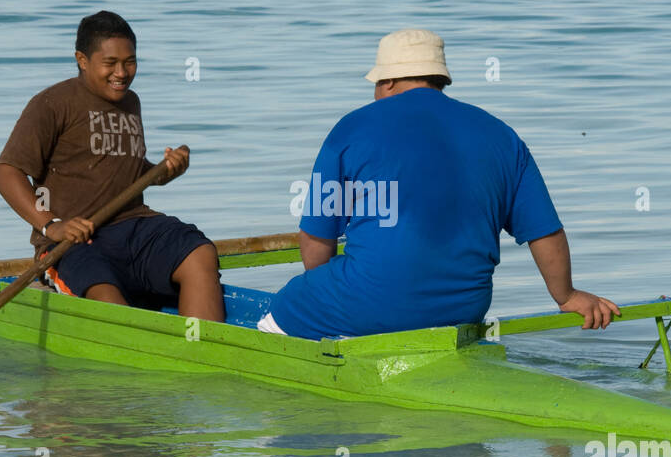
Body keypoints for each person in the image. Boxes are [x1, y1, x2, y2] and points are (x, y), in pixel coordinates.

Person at [262, 28, 617, 338]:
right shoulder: (501, 135)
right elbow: (544, 232)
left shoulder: (351, 128)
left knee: (281, 309)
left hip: (367, 302)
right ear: (439, 79)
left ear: (386, 81)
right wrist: (566, 296)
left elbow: (316, 237)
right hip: (464, 310)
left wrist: (330, 293)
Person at [0, 11, 224, 321]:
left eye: (130, 61)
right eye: (110, 63)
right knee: (105, 295)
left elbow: (122, 170)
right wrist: (52, 225)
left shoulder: (131, 102)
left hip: (133, 228)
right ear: (82, 60)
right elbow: (6, 174)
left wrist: (163, 172)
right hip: (72, 245)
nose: (122, 73)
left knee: (199, 253)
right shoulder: (52, 104)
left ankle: (204, 353)